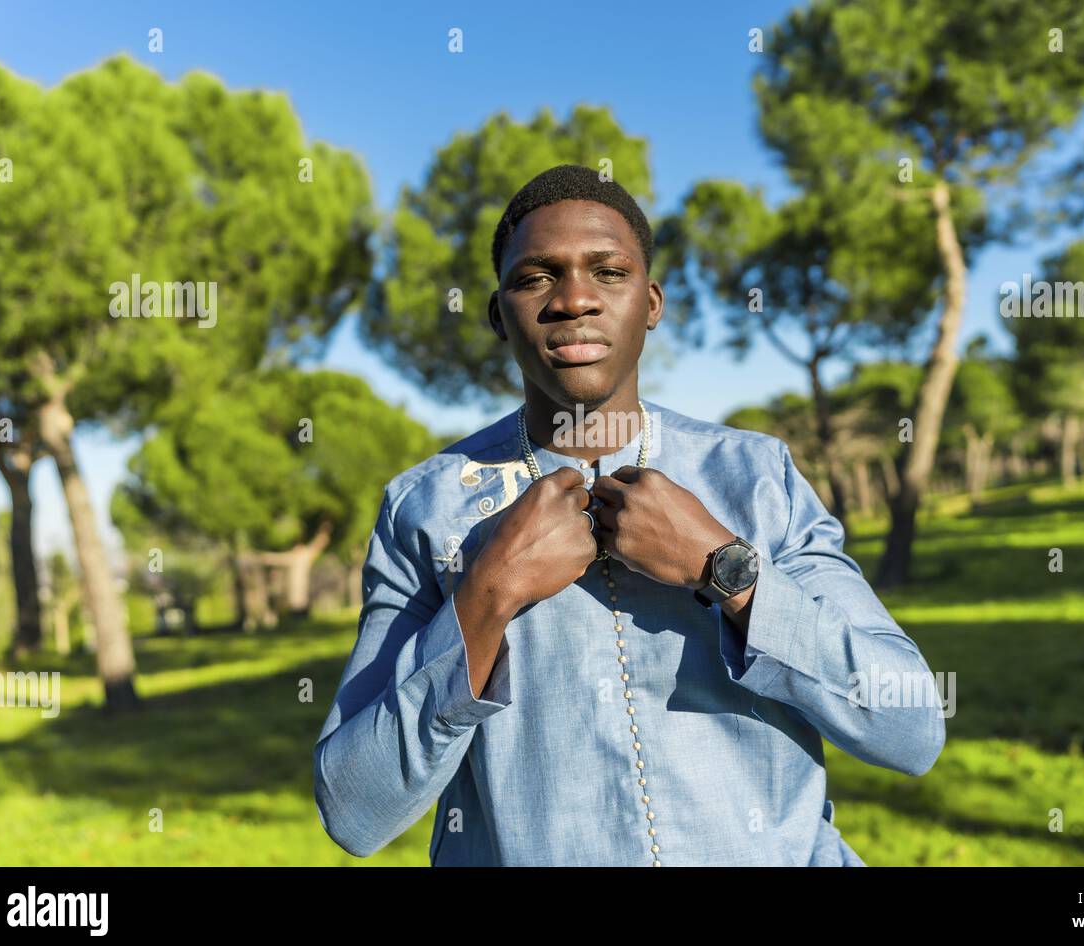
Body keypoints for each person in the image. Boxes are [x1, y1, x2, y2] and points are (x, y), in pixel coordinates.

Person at [313, 164, 946, 866]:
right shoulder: (426, 509)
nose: (574, 299)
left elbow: (911, 729)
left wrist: (728, 571)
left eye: (607, 273)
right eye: (535, 278)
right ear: (499, 314)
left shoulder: (759, 478)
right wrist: (485, 595)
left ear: (650, 303)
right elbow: (353, 808)